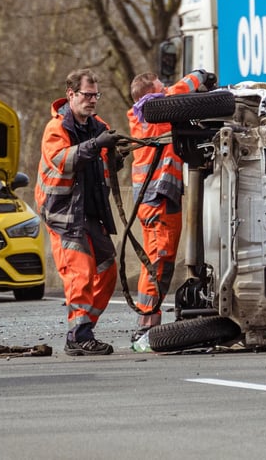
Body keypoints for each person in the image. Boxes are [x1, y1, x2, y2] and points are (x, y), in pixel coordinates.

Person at [34, 68, 124, 356]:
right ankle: (79, 334)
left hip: (89, 211)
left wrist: (117, 155)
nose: (93, 100)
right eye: (87, 94)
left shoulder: (99, 126)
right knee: (81, 272)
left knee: (108, 270)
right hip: (63, 214)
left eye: (96, 94)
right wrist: (97, 145)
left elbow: (102, 166)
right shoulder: (56, 129)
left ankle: (83, 328)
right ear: (71, 94)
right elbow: (64, 160)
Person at [126, 69, 215, 348]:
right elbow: (176, 93)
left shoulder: (152, 117)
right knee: (158, 261)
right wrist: (200, 75)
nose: (166, 91)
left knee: (161, 260)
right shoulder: (151, 113)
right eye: (160, 89)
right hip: (157, 198)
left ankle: (148, 320)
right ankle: (145, 324)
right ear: (149, 96)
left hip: (161, 198)